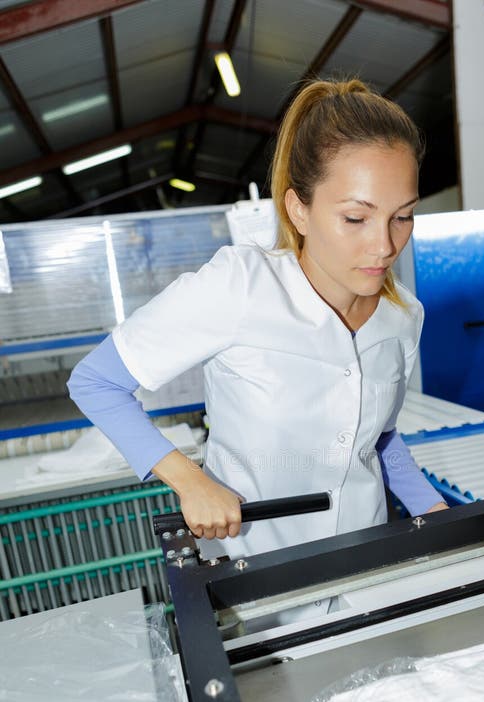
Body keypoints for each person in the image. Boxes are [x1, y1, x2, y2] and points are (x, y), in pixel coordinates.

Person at [68, 78, 447, 573]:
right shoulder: (240, 287)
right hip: (253, 569)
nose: (384, 245)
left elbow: (378, 437)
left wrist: (433, 513)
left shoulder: (403, 317)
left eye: (403, 216)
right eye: (356, 218)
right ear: (299, 210)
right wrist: (192, 481)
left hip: (364, 562)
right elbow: (96, 382)